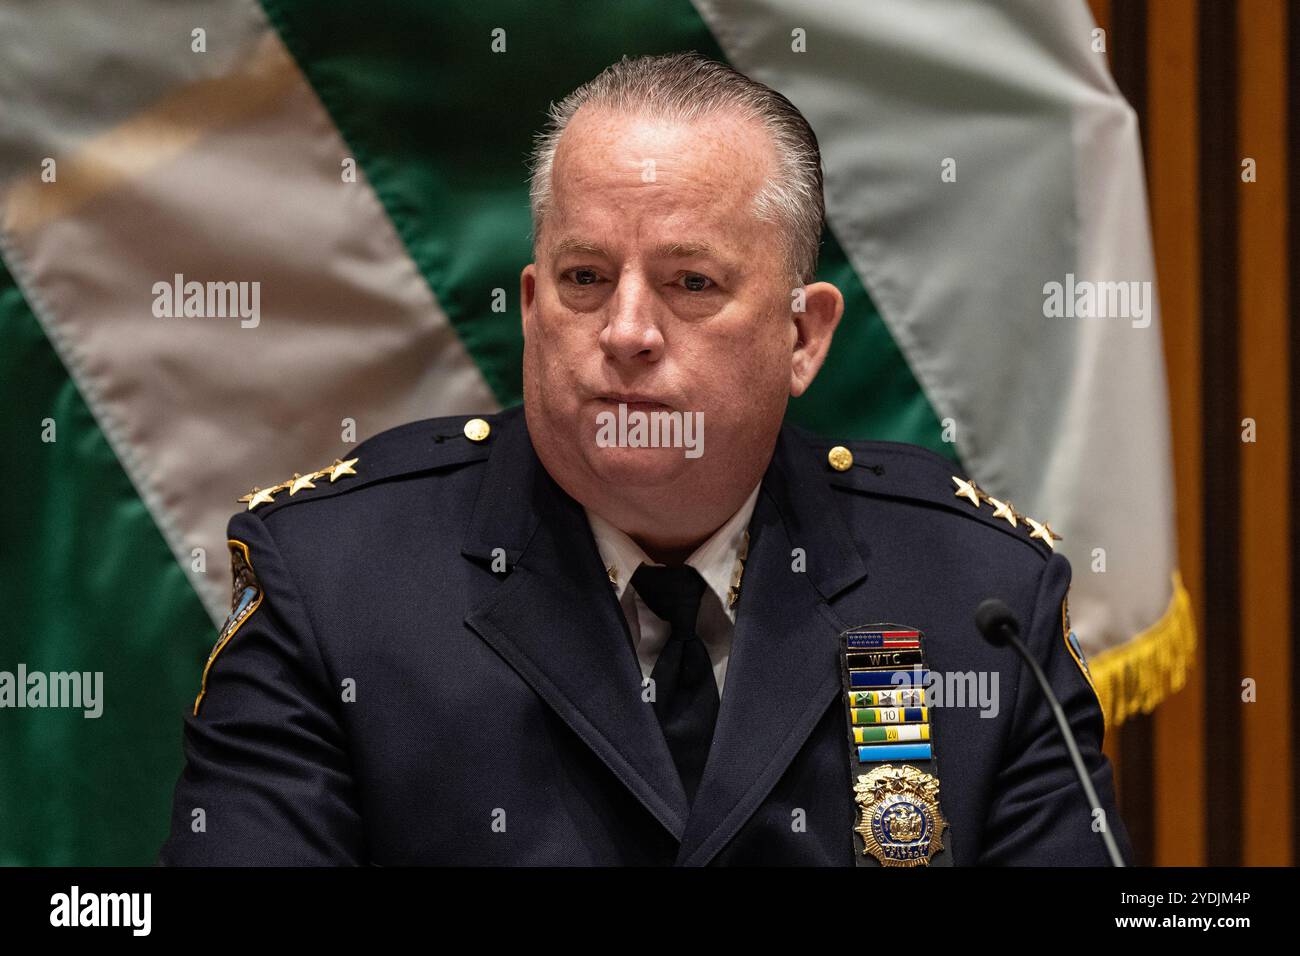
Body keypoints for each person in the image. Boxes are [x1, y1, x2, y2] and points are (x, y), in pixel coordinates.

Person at [161, 51, 1130, 866]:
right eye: (585, 278)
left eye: (690, 282)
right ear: (534, 304)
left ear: (803, 336)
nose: (625, 330)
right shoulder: (337, 583)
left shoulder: (977, 599)